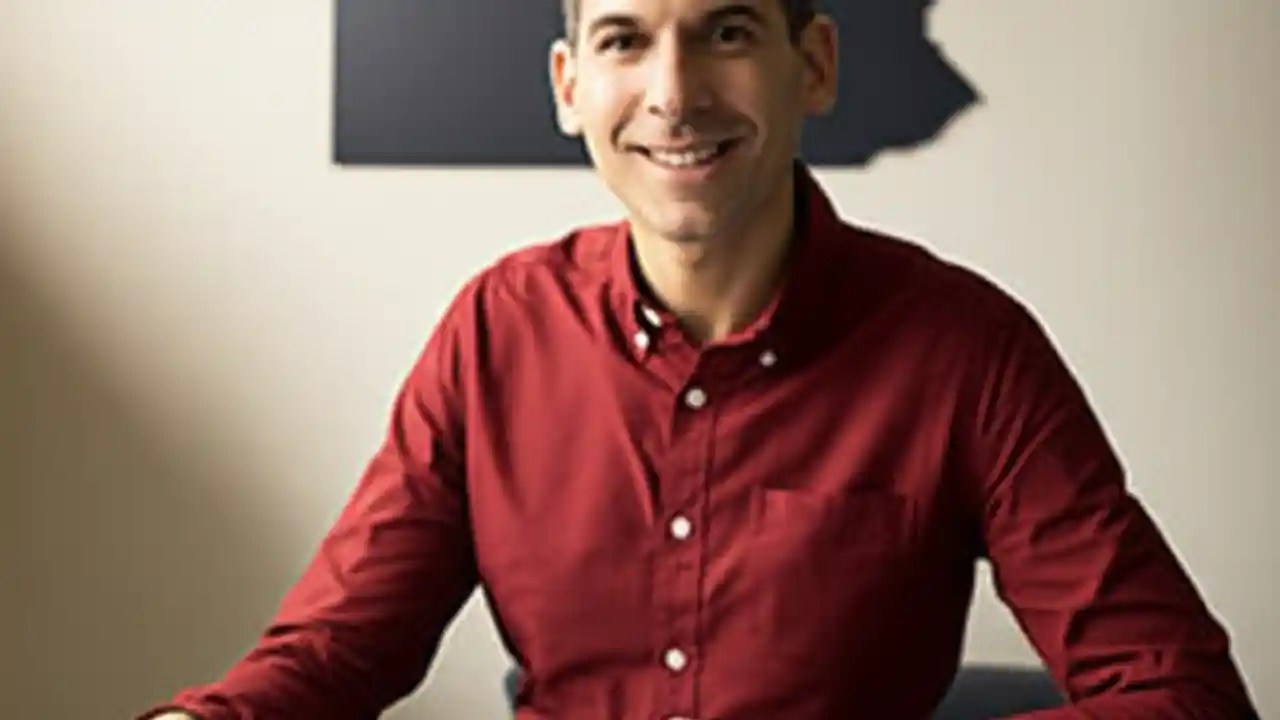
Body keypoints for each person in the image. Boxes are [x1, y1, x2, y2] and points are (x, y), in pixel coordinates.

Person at [142, 0, 1259, 718]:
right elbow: (338, 650)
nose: (673, 94)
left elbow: (1174, 695)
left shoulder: (963, 349)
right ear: (568, 84)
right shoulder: (495, 332)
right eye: (624, 39)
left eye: (725, 31)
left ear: (810, 66)